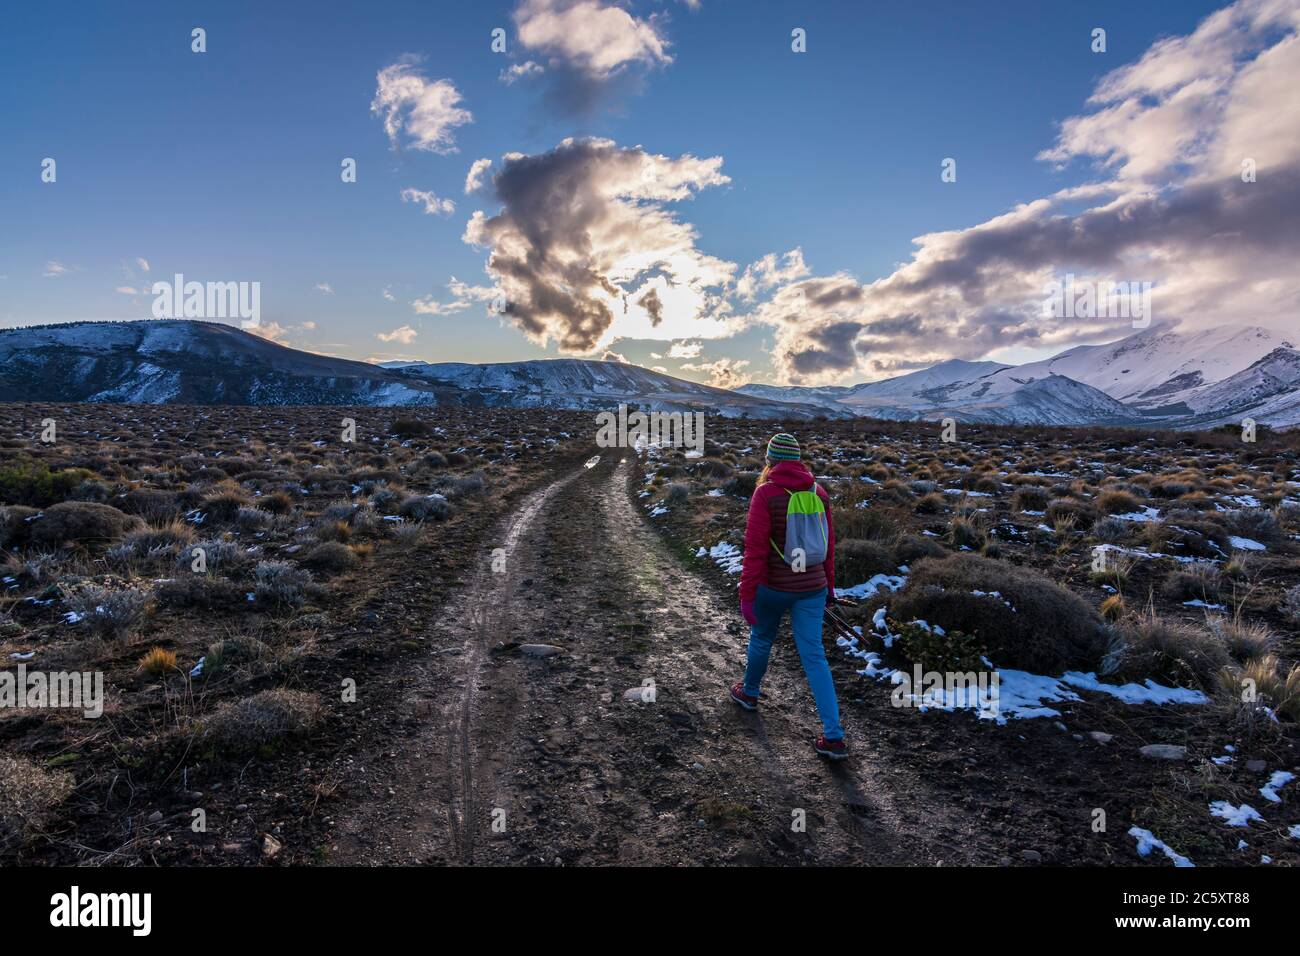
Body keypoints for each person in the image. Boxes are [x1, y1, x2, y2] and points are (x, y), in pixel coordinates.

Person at [729, 432, 847, 760]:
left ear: (770, 461)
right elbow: (829, 547)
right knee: (815, 656)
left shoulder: (765, 494)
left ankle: (749, 693)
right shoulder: (819, 492)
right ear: (797, 459)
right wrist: (829, 589)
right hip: (812, 587)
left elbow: (753, 550)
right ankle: (833, 736)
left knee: (762, 638)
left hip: (774, 587)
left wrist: (747, 593)